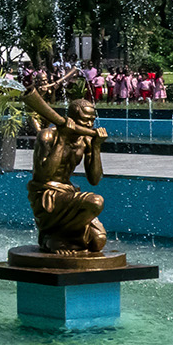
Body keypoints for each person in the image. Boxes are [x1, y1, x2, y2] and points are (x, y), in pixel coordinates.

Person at [23, 90, 109, 253]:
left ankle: (58, 236)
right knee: (96, 202)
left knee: (98, 241)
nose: (89, 125)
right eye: (85, 121)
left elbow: (94, 180)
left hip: (67, 192)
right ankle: (53, 237)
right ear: (72, 119)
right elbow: (44, 175)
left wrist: (96, 147)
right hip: (46, 194)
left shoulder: (86, 140)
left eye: (92, 120)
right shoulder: (48, 136)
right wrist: (62, 138)